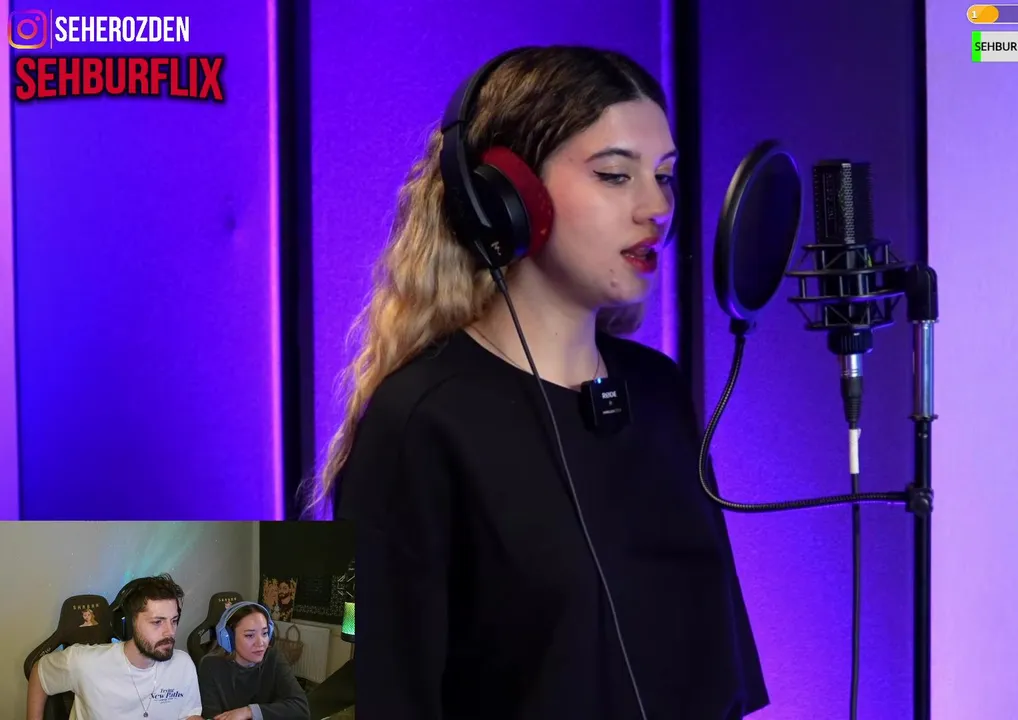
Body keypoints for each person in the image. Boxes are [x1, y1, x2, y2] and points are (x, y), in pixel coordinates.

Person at [319, 45, 769, 719]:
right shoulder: (420, 422)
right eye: (615, 175)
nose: (657, 207)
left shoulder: (659, 393)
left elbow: (717, 679)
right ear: (506, 198)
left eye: (664, 177)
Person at [26, 574, 202, 720]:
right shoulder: (85, 663)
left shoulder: (183, 664)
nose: (170, 632)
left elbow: (189, 714)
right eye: (157, 622)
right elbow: (39, 673)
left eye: (174, 620)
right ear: (130, 624)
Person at [197, 601, 309, 720]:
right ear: (229, 638)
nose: (260, 643)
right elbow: (212, 716)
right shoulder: (210, 666)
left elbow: (301, 708)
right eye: (250, 635)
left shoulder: (273, 657)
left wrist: (249, 711)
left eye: (265, 633)